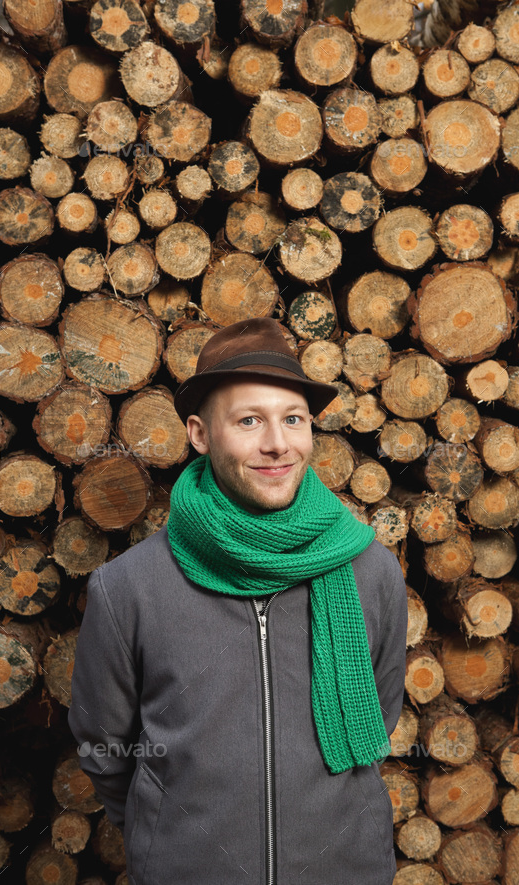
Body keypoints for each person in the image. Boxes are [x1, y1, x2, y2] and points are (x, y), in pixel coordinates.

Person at [68, 317, 408, 885]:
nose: (277, 443)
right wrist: (167, 839)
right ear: (200, 435)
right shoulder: (128, 587)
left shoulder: (369, 570)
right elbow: (104, 748)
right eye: (249, 420)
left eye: (293, 419)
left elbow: (381, 714)